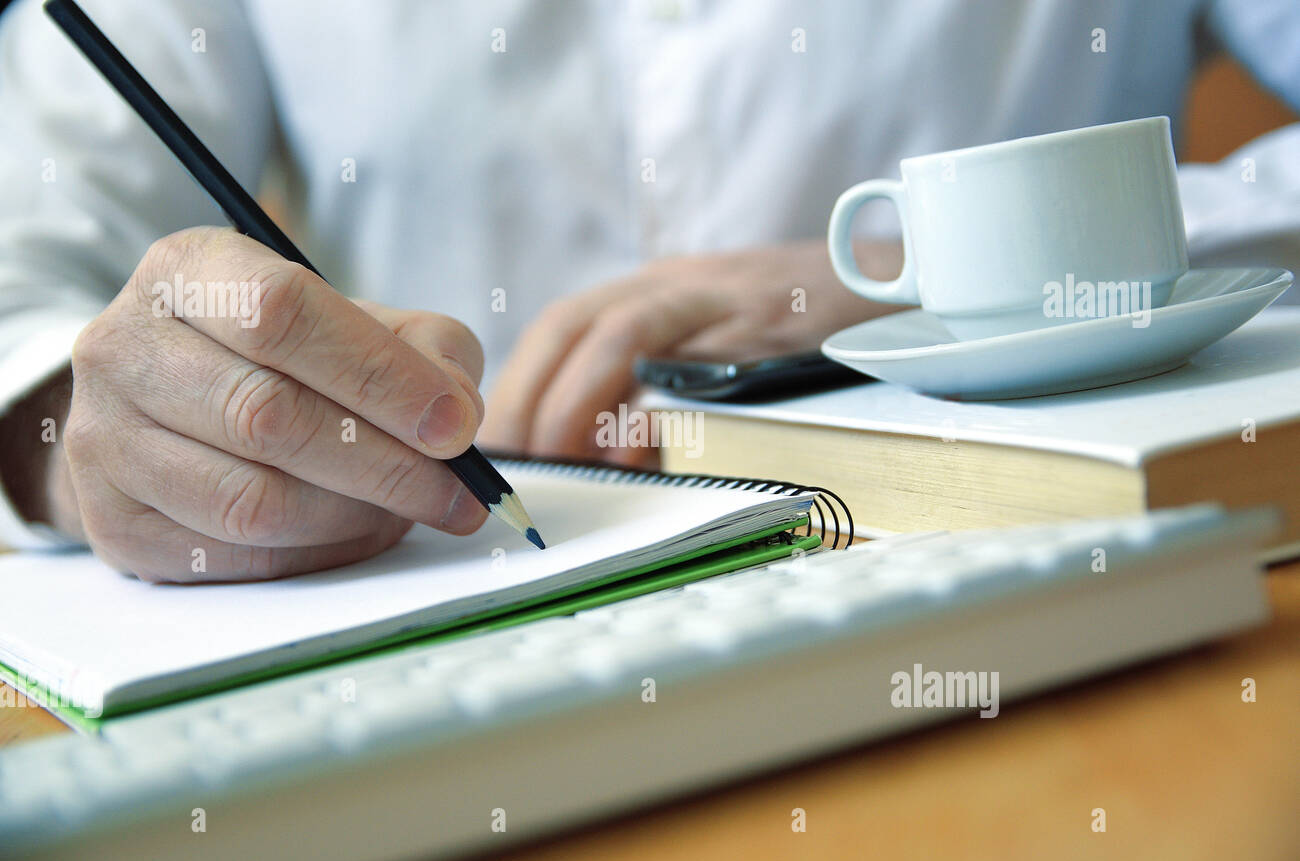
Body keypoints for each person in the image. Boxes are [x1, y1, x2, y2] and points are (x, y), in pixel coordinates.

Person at [0, 0, 1296, 581]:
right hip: (454, 589)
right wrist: (82, 438)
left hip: (1073, 585)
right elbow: (22, 266)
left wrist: (940, 282)